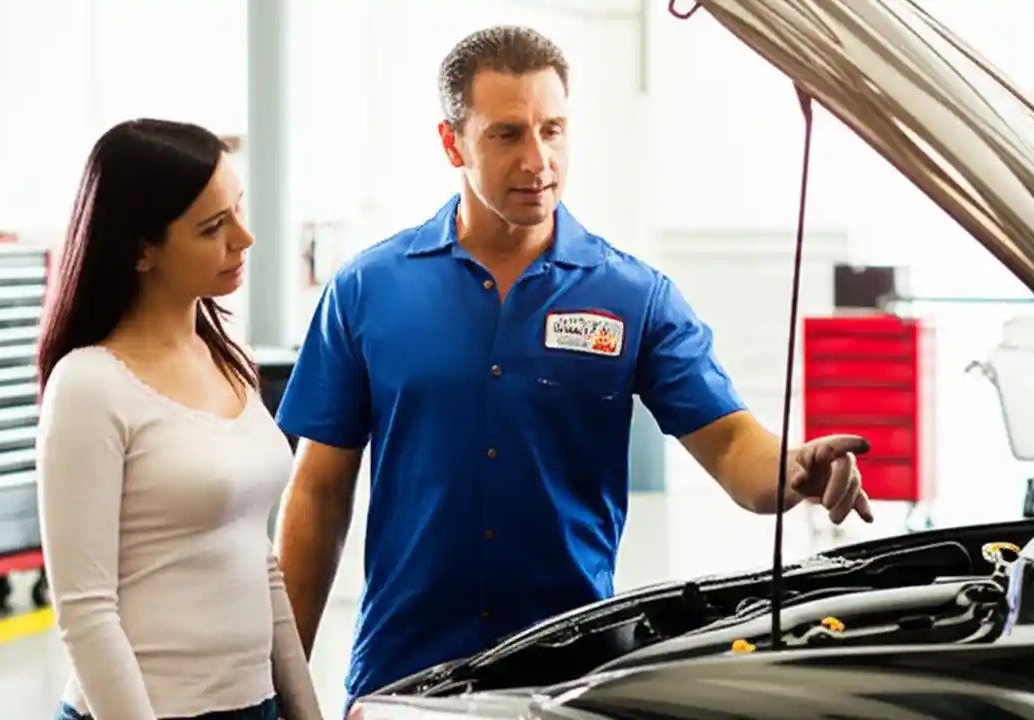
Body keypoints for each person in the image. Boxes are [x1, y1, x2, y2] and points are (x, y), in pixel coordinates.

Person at [272, 24, 873, 709]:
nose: (538, 160)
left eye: (553, 130)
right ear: (452, 143)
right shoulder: (367, 289)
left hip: (568, 678)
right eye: (507, 134)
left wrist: (792, 469)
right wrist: (283, 684)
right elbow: (318, 492)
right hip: (404, 675)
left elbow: (733, 445)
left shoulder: (633, 296)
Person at [34, 118, 324, 720]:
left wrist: (303, 709)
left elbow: (258, 559)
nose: (244, 238)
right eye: (212, 228)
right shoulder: (90, 385)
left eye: (238, 208)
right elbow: (85, 611)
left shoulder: (227, 358)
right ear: (141, 251)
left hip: (254, 704)